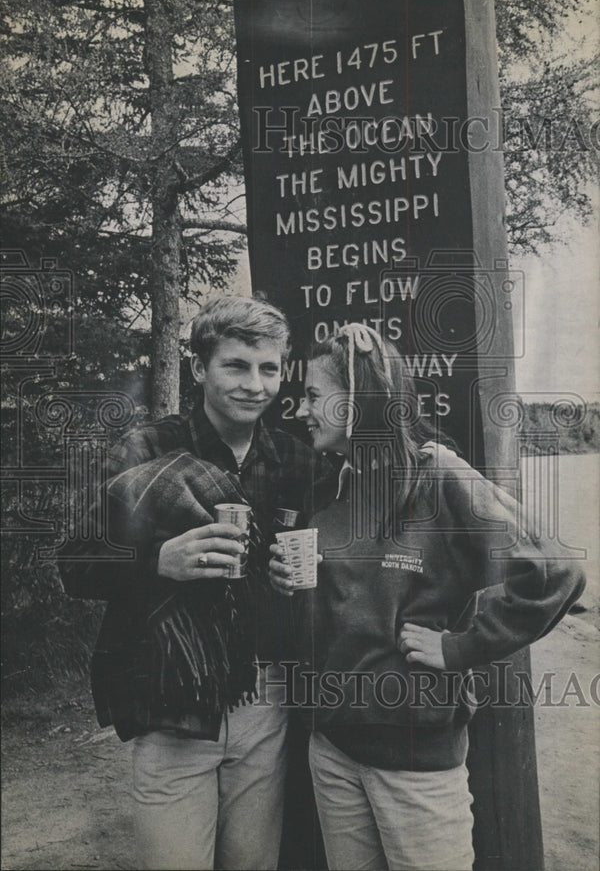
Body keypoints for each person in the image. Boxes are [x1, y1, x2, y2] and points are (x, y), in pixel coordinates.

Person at [269, 322, 586, 871]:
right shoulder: (328, 486)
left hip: (417, 761)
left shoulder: (435, 476)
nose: (300, 411)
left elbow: (555, 572)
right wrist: (290, 585)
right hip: (334, 750)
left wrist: (459, 648)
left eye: (315, 396)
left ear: (357, 401)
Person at [60, 295, 330, 871]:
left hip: (264, 696)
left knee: (253, 864)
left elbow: (340, 548)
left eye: (269, 369)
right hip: (171, 697)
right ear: (199, 368)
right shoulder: (147, 448)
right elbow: (76, 562)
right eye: (236, 365)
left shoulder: (295, 460)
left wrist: (297, 575)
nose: (255, 385)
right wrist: (157, 559)